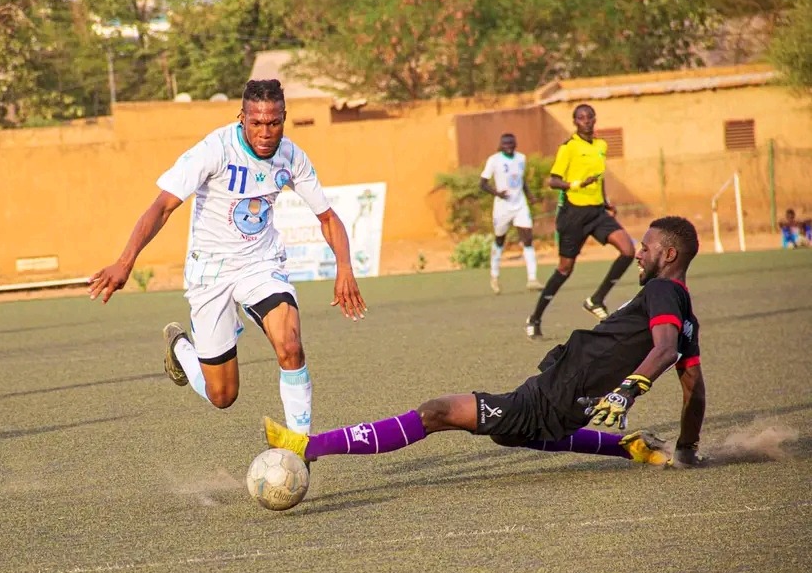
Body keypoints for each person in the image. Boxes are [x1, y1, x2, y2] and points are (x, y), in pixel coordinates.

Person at [266, 216, 706, 472]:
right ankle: (626, 446)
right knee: (510, 435)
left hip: (554, 397)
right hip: (562, 398)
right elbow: (694, 388)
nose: (638, 253)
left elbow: (664, 349)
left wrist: (628, 388)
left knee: (436, 412)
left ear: (669, 256)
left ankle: (310, 448)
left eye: (646, 248)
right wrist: (685, 448)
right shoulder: (688, 315)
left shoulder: (663, 293)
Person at [88, 79, 367, 434]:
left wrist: (344, 267)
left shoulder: (292, 157)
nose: (266, 132)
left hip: (260, 265)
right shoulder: (215, 149)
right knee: (222, 395)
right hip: (211, 272)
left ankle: (301, 447)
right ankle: (181, 347)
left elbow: (327, 217)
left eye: (274, 122)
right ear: (242, 118)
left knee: (291, 345)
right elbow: (162, 207)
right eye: (257, 123)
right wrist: (125, 262)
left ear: (284, 117)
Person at [526, 103, 636, 339]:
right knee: (565, 269)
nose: (586, 120)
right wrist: (577, 185)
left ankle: (596, 300)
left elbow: (599, 176)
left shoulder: (601, 145)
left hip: (596, 212)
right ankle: (535, 318)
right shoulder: (569, 147)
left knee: (628, 250)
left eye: (590, 117)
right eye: (581, 118)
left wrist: (605, 202)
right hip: (573, 215)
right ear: (575, 122)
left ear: (595, 119)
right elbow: (553, 181)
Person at [479, 133, 543, 294]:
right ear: (501, 145)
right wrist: (497, 193)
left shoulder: (521, 158)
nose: (508, 145)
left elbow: (522, 181)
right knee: (500, 240)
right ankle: (494, 276)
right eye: (505, 143)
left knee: (527, 239)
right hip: (502, 208)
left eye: (511, 143)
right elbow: (483, 184)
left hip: (520, 205)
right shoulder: (494, 160)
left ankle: (532, 279)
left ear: (515, 144)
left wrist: (530, 196)